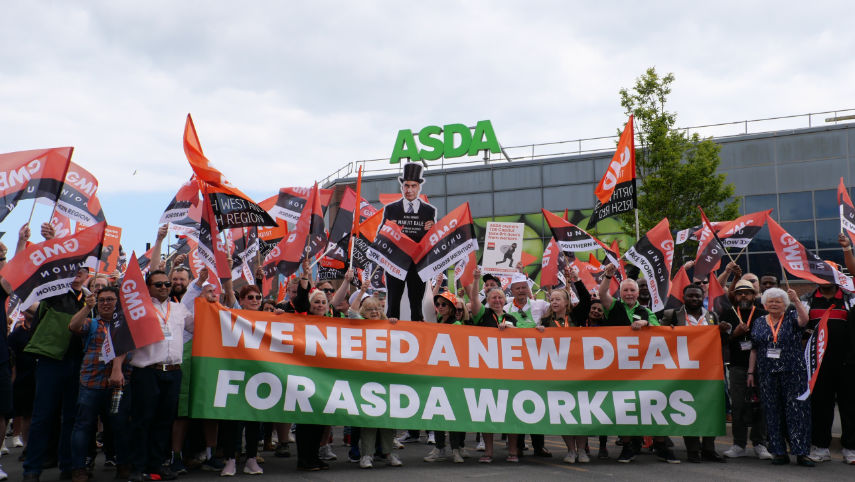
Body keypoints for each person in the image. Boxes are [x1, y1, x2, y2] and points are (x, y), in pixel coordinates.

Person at [597, 264, 678, 464]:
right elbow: (602, 293)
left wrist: (647, 323)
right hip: (618, 367)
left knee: (653, 404)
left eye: (633, 290)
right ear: (621, 293)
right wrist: (608, 275)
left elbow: (660, 332)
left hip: (644, 368)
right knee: (622, 405)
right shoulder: (613, 306)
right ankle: (628, 446)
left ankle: (660, 446)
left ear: (638, 292)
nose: (629, 293)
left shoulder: (645, 311)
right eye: (625, 290)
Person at [23, 249, 88, 482]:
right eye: (73, 270)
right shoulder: (56, 293)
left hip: (77, 363)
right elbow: (45, 275)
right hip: (51, 361)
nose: (77, 274)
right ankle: (32, 469)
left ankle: (67, 467)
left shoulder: (90, 298)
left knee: (71, 417)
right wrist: (51, 242)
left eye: (81, 271)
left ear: (88, 275)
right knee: (43, 416)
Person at [127, 268, 194, 482]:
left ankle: (156, 466)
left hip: (173, 373)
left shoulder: (179, 308)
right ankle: (137, 468)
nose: (165, 287)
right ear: (148, 287)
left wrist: (213, 303)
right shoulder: (139, 308)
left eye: (167, 284)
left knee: (164, 422)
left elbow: (199, 326)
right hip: (147, 371)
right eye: (159, 284)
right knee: (142, 420)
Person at [68, 286, 132, 482]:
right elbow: (73, 326)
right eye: (102, 300)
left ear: (117, 302)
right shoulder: (93, 323)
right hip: (91, 382)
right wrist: (87, 307)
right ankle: (79, 468)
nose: (106, 303)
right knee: (83, 426)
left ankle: (123, 465)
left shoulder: (126, 326)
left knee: (120, 427)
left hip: (118, 385)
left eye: (110, 299)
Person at [342, 274, 404, 469]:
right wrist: (361, 291)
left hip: (386, 377)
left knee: (387, 419)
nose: (374, 312)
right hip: (366, 378)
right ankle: (366, 455)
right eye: (369, 310)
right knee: (368, 419)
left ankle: (388, 453)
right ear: (364, 312)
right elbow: (351, 313)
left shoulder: (389, 325)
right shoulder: (360, 323)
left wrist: (391, 321)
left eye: (377, 309)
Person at [747, 287, 813, 466]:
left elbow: (804, 320)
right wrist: (750, 372)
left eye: (778, 301)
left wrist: (796, 300)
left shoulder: (792, 317)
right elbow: (754, 348)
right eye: (771, 301)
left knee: (797, 411)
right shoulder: (760, 321)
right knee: (772, 411)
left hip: (793, 372)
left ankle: (801, 452)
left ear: (785, 305)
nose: (774, 304)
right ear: (765, 304)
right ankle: (778, 452)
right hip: (767, 373)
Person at [802, 243, 855, 464]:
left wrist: (847, 251)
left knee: (850, 407)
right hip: (818, 364)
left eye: (829, 275)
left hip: (847, 363)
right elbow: (799, 327)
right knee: (820, 407)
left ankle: (850, 448)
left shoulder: (849, 298)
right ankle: (821, 447)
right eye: (821, 275)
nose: (825, 280)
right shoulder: (806, 300)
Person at [660, 284, 726, 463]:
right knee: (688, 409)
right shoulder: (671, 315)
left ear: (702, 296)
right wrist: (668, 332)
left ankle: (709, 449)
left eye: (697, 296)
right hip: (683, 372)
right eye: (691, 296)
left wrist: (723, 331)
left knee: (710, 409)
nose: (694, 299)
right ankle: (693, 450)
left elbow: (720, 341)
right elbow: (658, 339)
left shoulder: (712, 316)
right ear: (684, 297)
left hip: (709, 372)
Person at [468, 268, 520, 463]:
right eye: (493, 298)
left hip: (509, 372)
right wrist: (475, 280)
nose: (497, 300)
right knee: (487, 411)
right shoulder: (483, 315)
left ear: (504, 300)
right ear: (488, 300)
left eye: (500, 297)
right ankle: (488, 452)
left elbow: (524, 341)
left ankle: (513, 451)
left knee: (511, 411)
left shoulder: (513, 319)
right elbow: (473, 302)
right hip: (486, 370)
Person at [719, 280, 772, 460]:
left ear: (754, 295)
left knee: (762, 406)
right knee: (738, 405)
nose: (743, 296)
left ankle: (759, 444)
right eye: (740, 292)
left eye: (747, 293)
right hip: (737, 366)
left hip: (762, 367)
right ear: (735, 295)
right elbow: (721, 342)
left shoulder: (764, 314)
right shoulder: (728, 314)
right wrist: (736, 333)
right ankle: (738, 444)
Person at [218, 284, 265, 476]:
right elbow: (228, 293)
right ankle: (230, 460)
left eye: (258, 297)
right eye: (251, 297)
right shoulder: (234, 315)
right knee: (232, 420)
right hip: (234, 374)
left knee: (254, 420)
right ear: (243, 300)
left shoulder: (268, 320)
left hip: (258, 375)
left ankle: (251, 460)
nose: (255, 301)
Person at [380, 162, 436, 321]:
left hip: (417, 263)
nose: (409, 190)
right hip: (396, 262)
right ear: (402, 187)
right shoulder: (391, 209)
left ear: (419, 188)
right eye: (406, 186)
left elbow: (432, 240)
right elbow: (382, 234)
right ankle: (391, 334)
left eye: (413, 186)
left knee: (416, 304)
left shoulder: (429, 211)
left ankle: (418, 333)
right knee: (393, 303)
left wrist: (433, 229)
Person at [538, 288, 588, 464]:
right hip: (558, 374)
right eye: (552, 300)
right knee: (565, 413)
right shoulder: (545, 321)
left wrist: (576, 280)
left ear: (566, 302)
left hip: (579, 372)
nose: (554, 302)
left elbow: (587, 298)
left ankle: (582, 451)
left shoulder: (576, 318)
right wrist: (538, 333)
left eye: (558, 299)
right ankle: (570, 451)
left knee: (581, 414)